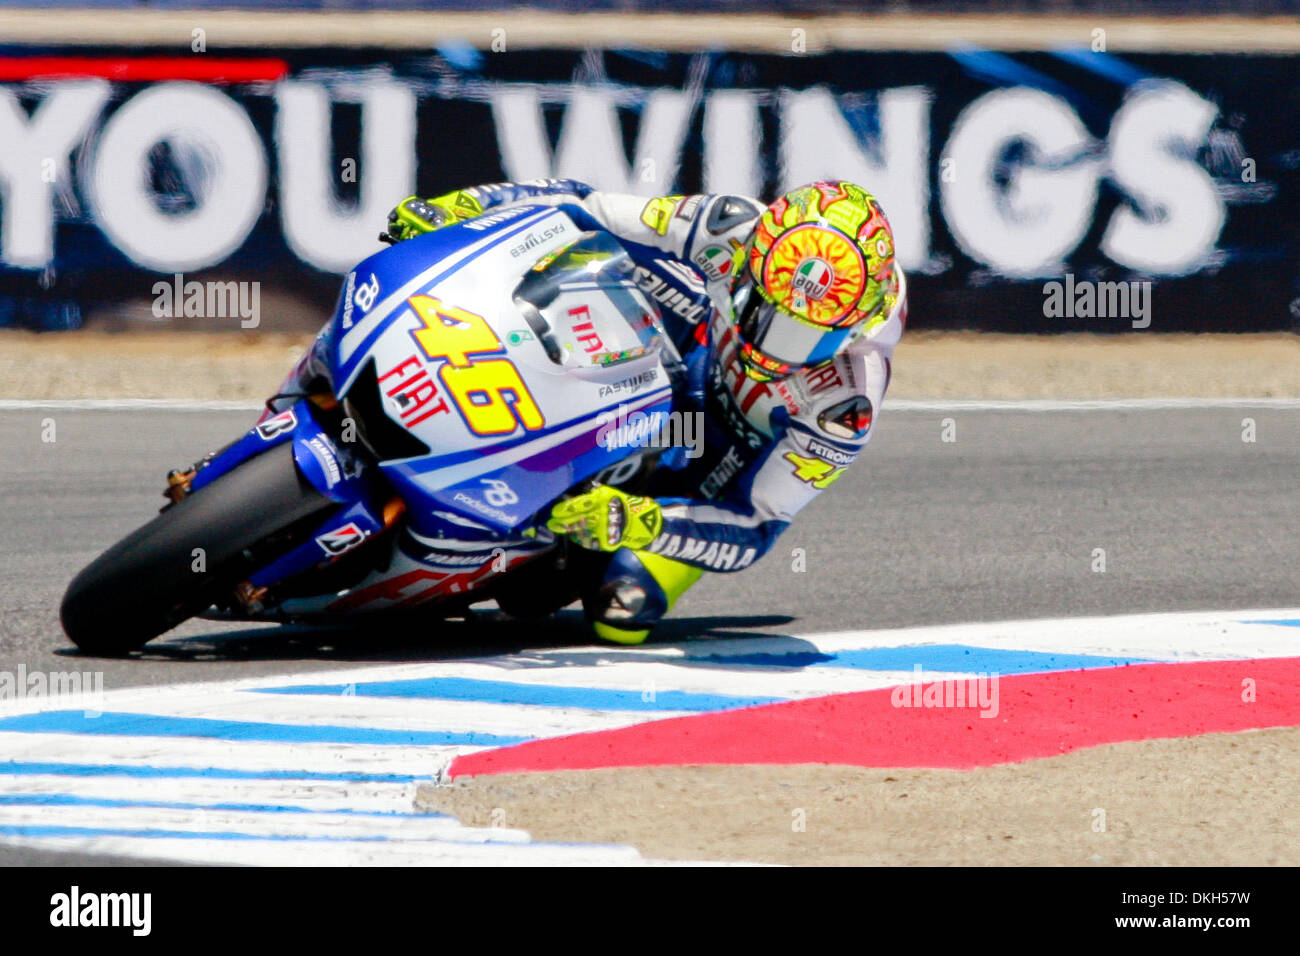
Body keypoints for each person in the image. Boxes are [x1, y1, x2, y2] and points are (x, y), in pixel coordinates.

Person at [383, 178, 907, 644]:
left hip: (721, 457)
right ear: (751, 261)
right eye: (764, 310)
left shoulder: (845, 405)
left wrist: (640, 521)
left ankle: (549, 541)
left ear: (855, 330)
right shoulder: (728, 225)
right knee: (596, 254)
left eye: (807, 336)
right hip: (691, 344)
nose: (773, 349)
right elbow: (581, 205)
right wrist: (467, 203)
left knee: (619, 609)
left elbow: (756, 525)